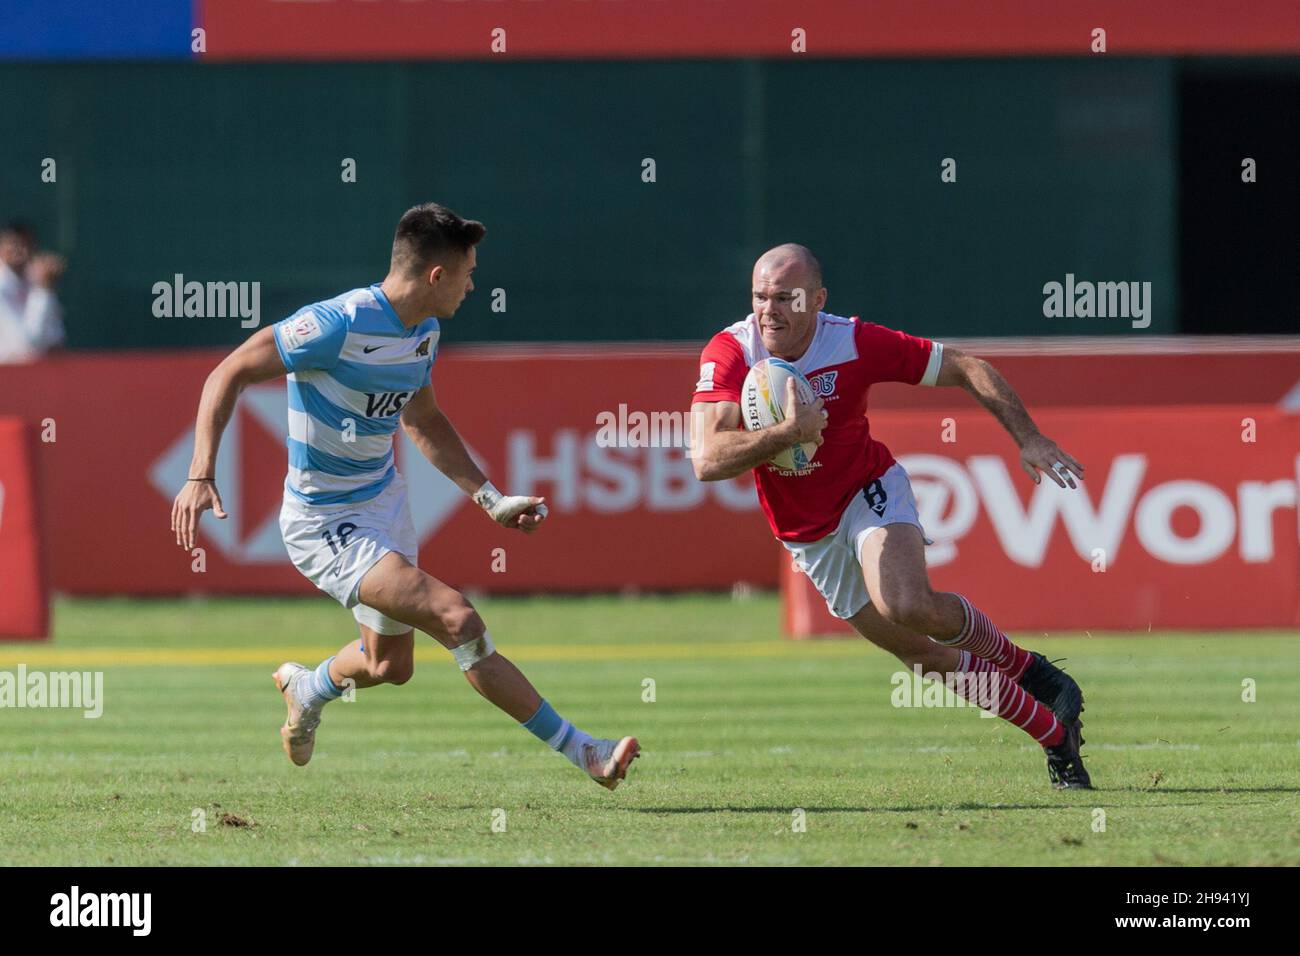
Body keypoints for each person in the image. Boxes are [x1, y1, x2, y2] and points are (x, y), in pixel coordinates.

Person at [170, 202, 639, 789]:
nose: (474, 286)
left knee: (388, 666)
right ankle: (585, 751)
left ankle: (305, 688)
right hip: (324, 522)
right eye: (468, 274)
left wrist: (490, 500)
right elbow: (229, 370)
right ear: (437, 276)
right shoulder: (336, 324)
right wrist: (199, 471)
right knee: (458, 618)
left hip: (384, 506)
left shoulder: (424, 331)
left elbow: (423, 421)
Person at [690, 243, 1091, 788]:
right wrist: (788, 433)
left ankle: (1026, 667)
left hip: (868, 491)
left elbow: (966, 367)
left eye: (786, 297)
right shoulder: (731, 353)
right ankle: (1054, 736)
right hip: (807, 537)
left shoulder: (852, 341)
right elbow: (707, 460)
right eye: (760, 297)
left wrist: (1029, 437)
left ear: (818, 299)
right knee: (922, 656)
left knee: (903, 602)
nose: (769, 311)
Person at [0, 221, 66, 363]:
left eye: (25, 244)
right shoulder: (40, 286)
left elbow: (56, 339)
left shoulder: (35, 280)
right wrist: (43, 289)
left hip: (40, 377)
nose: (19, 251)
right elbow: (27, 347)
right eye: (13, 244)